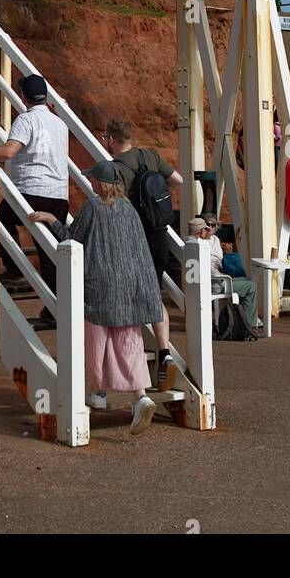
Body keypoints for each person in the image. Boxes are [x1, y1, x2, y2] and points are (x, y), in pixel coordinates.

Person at [30, 157, 162, 434]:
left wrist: (52, 219)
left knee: (97, 339)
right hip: (130, 285)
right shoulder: (130, 210)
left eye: (92, 179)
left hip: (101, 284)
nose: (89, 182)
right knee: (129, 340)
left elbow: (71, 238)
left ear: (99, 183)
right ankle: (141, 396)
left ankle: (98, 392)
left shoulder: (92, 208)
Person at [0, 74, 67, 330]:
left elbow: (8, 152)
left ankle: (15, 271)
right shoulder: (59, 123)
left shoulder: (26, 119)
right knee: (49, 253)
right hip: (59, 195)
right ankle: (56, 309)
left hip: (32, 190)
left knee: (1, 218)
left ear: (23, 97)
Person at [100, 117, 182, 390]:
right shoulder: (151, 156)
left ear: (111, 139)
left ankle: (133, 377)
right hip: (159, 236)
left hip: (136, 241)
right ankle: (164, 353)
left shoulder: (115, 169)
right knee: (154, 294)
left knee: (131, 299)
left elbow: (114, 207)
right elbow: (177, 180)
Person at [189, 215, 260, 332]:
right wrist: (216, 263)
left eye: (212, 225)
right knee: (250, 286)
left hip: (215, 279)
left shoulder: (198, 242)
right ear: (201, 231)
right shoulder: (200, 245)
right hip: (215, 283)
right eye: (206, 227)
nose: (210, 229)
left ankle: (241, 321)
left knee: (246, 281)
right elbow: (211, 266)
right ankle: (248, 325)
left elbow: (217, 260)